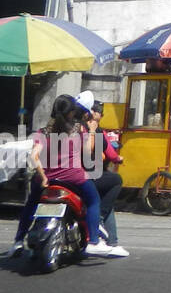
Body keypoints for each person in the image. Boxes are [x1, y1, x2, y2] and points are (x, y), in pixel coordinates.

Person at [9, 94, 127, 258]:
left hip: (47, 180)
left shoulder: (43, 132)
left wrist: (43, 177)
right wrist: (91, 132)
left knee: (30, 205)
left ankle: (18, 241)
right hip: (74, 178)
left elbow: (33, 157)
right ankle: (93, 241)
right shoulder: (77, 130)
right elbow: (87, 155)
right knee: (94, 201)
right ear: (72, 113)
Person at [79, 95, 126, 249]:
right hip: (88, 176)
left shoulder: (72, 128)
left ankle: (111, 241)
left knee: (106, 201)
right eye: (97, 111)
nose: (98, 114)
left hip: (70, 175)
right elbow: (111, 154)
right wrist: (118, 158)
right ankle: (104, 231)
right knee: (115, 181)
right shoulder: (96, 131)